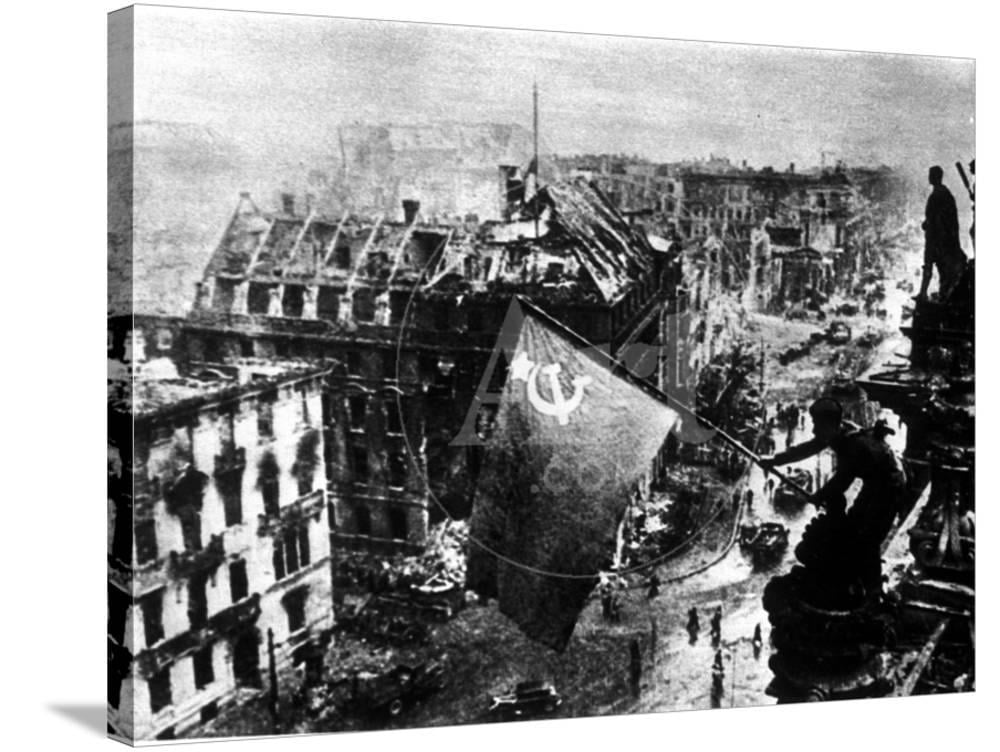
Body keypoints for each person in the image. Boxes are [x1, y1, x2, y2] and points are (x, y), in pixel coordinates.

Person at [760, 398, 907, 595]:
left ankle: (873, 592)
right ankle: (857, 578)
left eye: (816, 425)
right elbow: (808, 448)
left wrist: (819, 496)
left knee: (867, 537)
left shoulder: (853, 445)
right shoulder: (837, 431)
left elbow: (841, 481)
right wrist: (775, 460)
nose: (813, 430)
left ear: (829, 424)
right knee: (855, 525)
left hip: (890, 486)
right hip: (875, 482)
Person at [917, 165, 967, 301]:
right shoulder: (945, 193)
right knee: (940, 267)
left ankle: (924, 293)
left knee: (931, 265)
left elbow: (937, 218)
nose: (929, 177)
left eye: (931, 175)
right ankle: (939, 293)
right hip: (940, 238)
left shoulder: (938, 195)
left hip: (936, 238)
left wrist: (929, 226)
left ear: (935, 177)